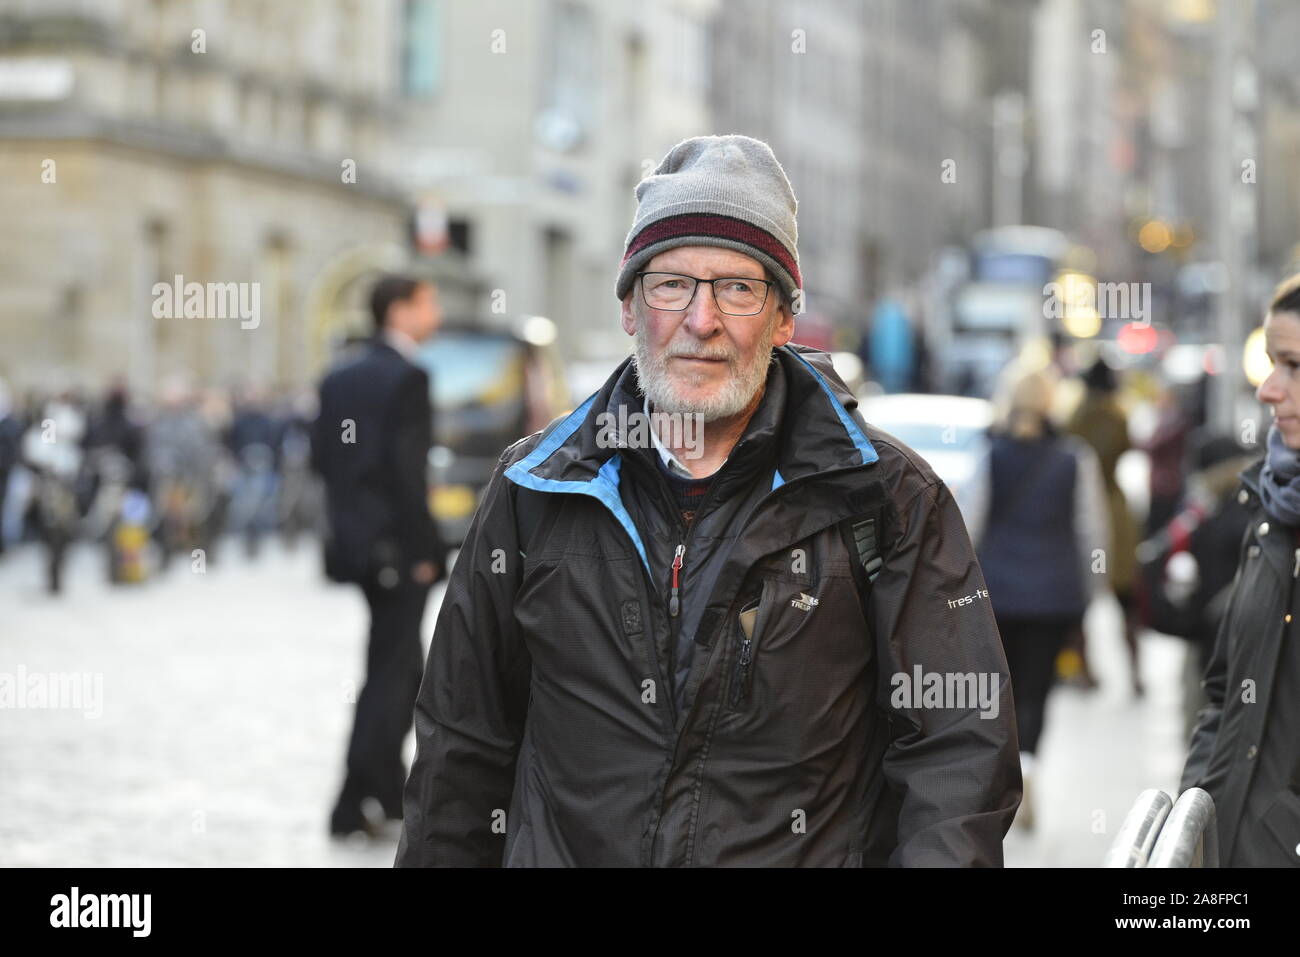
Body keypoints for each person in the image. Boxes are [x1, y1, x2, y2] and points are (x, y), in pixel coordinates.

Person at [396, 134, 1019, 867]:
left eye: (737, 287)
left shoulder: (887, 498)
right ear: (630, 306)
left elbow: (958, 751)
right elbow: (460, 750)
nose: (701, 320)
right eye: (672, 284)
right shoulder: (533, 487)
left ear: (784, 319)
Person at [313, 274, 448, 838]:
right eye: (428, 300)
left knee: (395, 668)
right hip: (397, 551)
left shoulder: (339, 374)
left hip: (357, 547)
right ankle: (360, 804)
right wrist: (426, 550)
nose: (435, 311)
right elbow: (405, 474)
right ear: (400, 309)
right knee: (393, 676)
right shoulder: (408, 375)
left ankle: (375, 799)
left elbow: (325, 462)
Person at [1180, 274, 1300, 866]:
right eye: (1271, 363)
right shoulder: (1271, 509)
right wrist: (1194, 808)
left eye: (1295, 366)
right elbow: (1225, 692)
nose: (1270, 389)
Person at [966, 363, 1109, 832]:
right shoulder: (1074, 456)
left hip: (999, 594)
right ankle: (1028, 768)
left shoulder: (991, 453)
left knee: (997, 692)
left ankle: (999, 779)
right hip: (1055, 595)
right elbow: (1092, 529)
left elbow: (972, 521)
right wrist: (1093, 590)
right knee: (1037, 690)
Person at [1066, 358, 1143, 696]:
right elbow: (1128, 448)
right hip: (1115, 509)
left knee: (1082, 599)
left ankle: (1084, 670)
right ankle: (1135, 673)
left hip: (1083, 509)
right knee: (1127, 599)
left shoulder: (1074, 417)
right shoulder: (1118, 415)